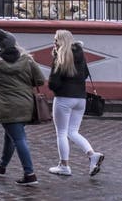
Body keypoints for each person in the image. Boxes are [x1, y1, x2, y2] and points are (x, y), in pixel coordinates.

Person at [0, 28, 44, 187]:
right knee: (11, 136)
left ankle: (30, 174)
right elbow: (40, 80)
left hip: (6, 106)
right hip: (25, 104)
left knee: (19, 139)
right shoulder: (27, 61)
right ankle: (2, 166)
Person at [47, 29, 104, 178]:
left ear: (62, 41)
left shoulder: (60, 56)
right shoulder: (80, 54)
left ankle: (64, 166)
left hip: (64, 99)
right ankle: (92, 155)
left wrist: (59, 85)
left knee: (61, 133)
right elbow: (84, 74)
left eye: (56, 40)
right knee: (73, 132)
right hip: (80, 98)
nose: (54, 42)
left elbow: (53, 83)